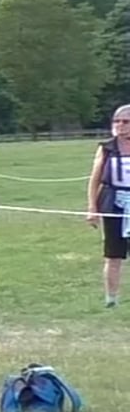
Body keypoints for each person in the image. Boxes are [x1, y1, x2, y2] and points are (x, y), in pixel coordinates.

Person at [87, 104, 130, 308]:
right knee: (113, 254)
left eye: (126, 122)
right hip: (113, 203)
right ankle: (111, 299)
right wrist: (92, 208)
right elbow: (95, 180)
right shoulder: (106, 148)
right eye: (117, 121)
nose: (121, 125)